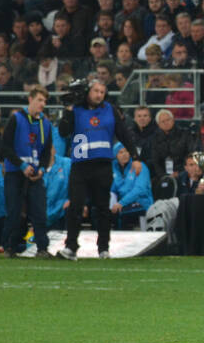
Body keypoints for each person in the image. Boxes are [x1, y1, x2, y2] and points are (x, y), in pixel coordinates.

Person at [57, 77, 142, 260]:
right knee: (76, 206)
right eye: (96, 91)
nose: (99, 95)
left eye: (102, 92)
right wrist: (68, 111)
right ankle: (71, 247)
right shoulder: (76, 109)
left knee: (102, 208)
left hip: (102, 165)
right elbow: (63, 131)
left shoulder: (110, 110)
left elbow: (124, 133)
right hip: (80, 166)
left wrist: (135, 157)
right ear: (88, 91)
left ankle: (103, 248)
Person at [1, 87, 54, 258]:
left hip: (35, 174)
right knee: (15, 211)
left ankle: (42, 248)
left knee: (39, 211)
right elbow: (5, 147)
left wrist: (42, 169)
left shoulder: (45, 124)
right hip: (15, 173)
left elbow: (46, 151)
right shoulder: (16, 119)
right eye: (39, 100)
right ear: (30, 99)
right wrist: (21, 165)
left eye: (45, 101)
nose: (42, 104)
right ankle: (9, 246)